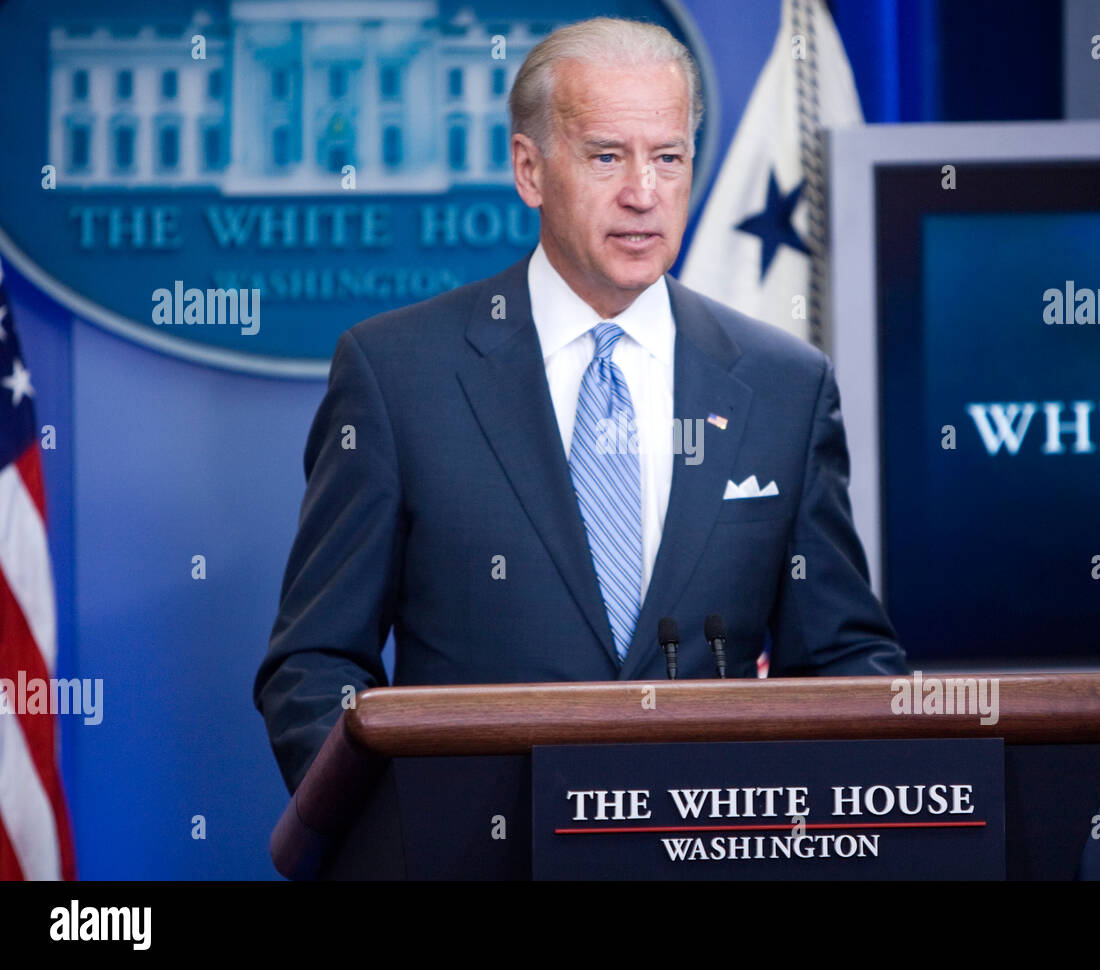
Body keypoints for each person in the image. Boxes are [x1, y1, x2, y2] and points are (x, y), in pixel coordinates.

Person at [254, 17, 906, 793]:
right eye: (607, 157)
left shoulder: (783, 386)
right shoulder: (398, 375)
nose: (643, 193)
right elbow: (316, 662)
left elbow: (840, 659)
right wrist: (393, 835)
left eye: (668, 158)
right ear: (530, 170)